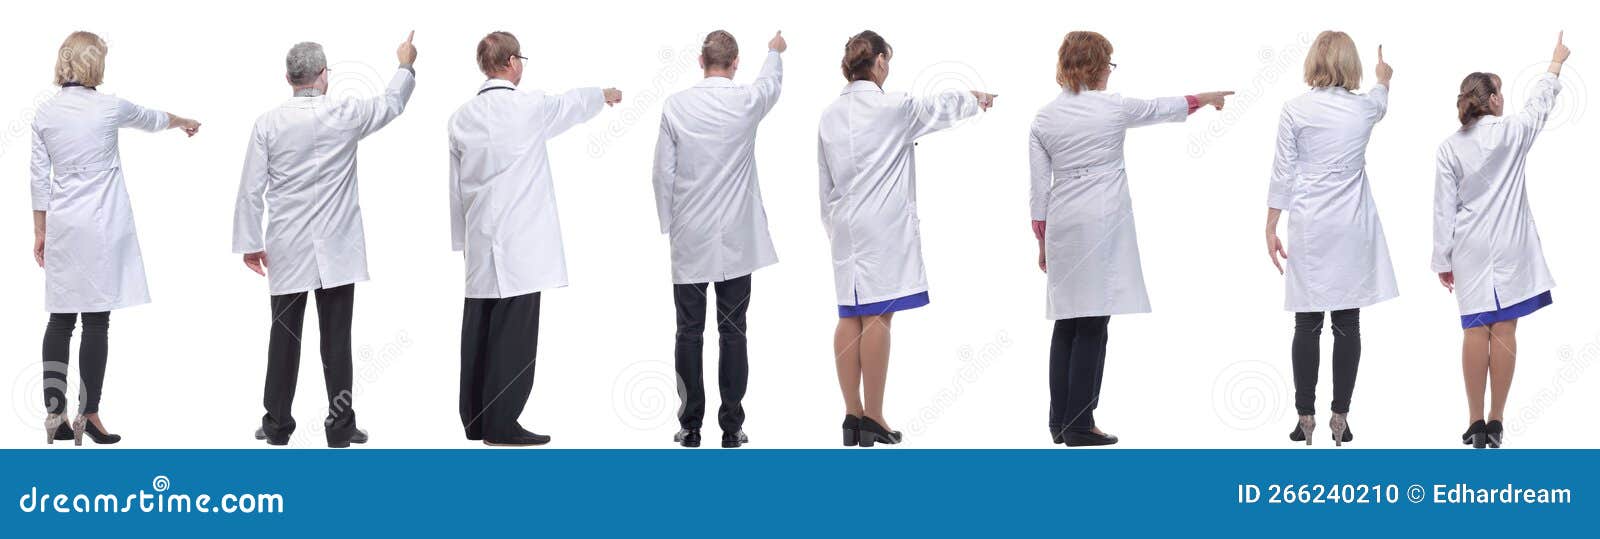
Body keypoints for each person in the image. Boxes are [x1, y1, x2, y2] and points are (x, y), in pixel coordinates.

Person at [1028, 31, 1229, 447]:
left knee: (1067, 321)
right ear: (1097, 66)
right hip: (1100, 223)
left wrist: (1041, 240)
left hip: (1063, 223)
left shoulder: (1044, 118)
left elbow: (1036, 188)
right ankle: (1081, 424)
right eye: (1108, 64)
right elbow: (1162, 108)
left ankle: (1059, 421)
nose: (1109, 72)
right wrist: (1205, 98)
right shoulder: (1113, 108)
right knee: (1094, 323)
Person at [233, 33, 418, 448]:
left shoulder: (268, 123)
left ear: (288, 78)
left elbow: (250, 189)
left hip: (287, 248)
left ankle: (277, 425)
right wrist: (404, 65)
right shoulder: (346, 112)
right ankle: (340, 426)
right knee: (338, 342)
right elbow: (392, 103)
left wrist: (249, 241)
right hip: (338, 248)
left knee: (283, 338)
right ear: (324, 76)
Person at [819, 30, 994, 448]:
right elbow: (941, 107)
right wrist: (977, 97)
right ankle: (874, 416)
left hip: (844, 224)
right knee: (878, 315)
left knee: (849, 314)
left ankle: (851, 415)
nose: (888, 68)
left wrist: (832, 224)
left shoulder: (828, 114)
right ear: (878, 61)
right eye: (888, 60)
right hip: (882, 226)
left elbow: (823, 179)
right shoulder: (895, 107)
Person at [449, 31, 621, 447]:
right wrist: (604, 94)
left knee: (478, 329)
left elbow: (454, 187)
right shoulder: (529, 107)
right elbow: (572, 104)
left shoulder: (460, 117)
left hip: (481, 240)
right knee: (514, 335)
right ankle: (503, 424)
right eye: (521, 58)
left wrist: (462, 242)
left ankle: (475, 420)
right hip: (521, 244)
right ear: (510, 63)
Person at [30, 31, 201, 446]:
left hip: (64, 227)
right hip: (102, 228)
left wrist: (39, 231)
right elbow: (153, 118)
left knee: (60, 318)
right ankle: (88, 415)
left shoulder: (44, 114)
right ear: (95, 64)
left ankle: (54, 412)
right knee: (96, 321)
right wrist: (184, 123)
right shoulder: (109, 107)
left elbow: (38, 178)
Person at [1434, 32, 1570, 450]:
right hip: (1511, 246)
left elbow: (1443, 208)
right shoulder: (1514, 132)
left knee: (1475, 330)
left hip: (1469, 247)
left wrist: (1443, 258)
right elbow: (1540, 105)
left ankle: (1474, 421)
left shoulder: (1449, 148)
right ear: (1492, 99)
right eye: (1501, 91)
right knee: (1505, 329)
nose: (1505, 98)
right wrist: (1555, 64)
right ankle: (1496, 421)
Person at [652, 30, 787, 448]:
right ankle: (732, 427)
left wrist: (669, 225)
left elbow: (662, 174)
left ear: (700, 61)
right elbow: (771, 84)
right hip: (736, 240)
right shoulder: (746, 102)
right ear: (734, 63)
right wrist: (775, 51)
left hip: (690, 237)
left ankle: (690, 425)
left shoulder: (675, 106)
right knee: (734, 332)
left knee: (688, 332)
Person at [1263, 31, 1396, 447]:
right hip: (1352, 226)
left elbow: (1283, 172)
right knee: (1347, 323)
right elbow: (1380, 100)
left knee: (1306, 321)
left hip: (1310, 226)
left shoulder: (1294, 110)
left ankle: (1305, 419)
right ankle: (1341, 418)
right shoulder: (1364, 109)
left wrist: (1270, 225)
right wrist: (1383, 76)